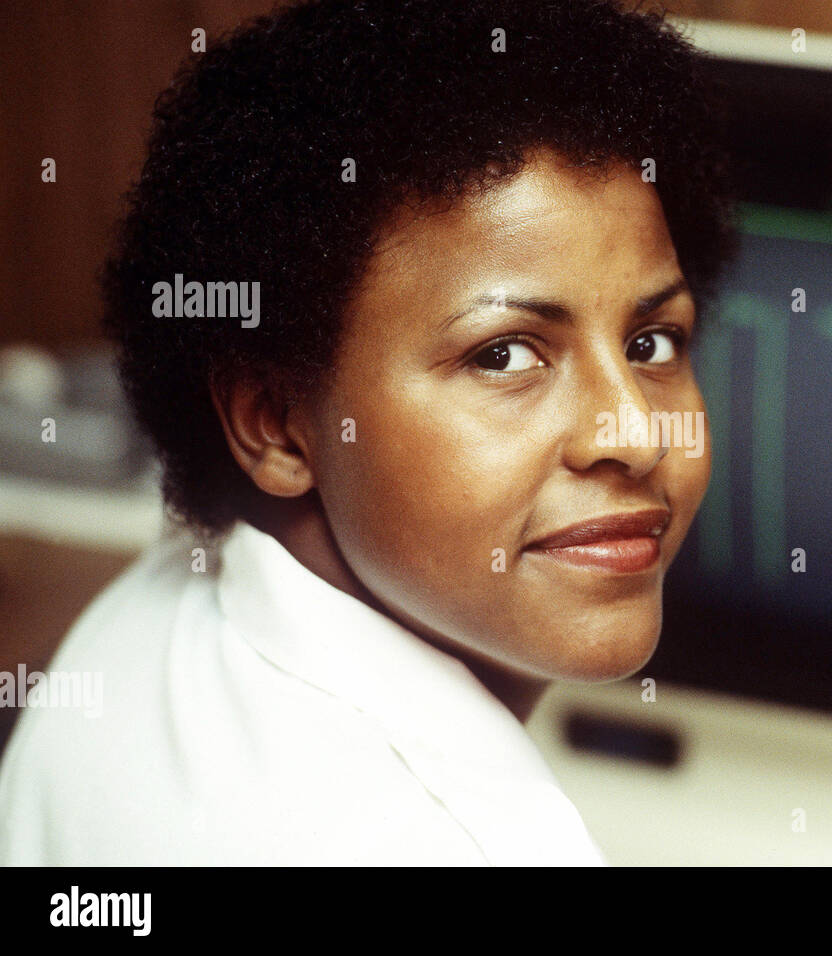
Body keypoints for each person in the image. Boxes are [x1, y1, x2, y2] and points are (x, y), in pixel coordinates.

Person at [0, 0, 738, 865]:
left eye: (652, 343)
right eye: (504, 355)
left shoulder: (143, 626)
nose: (636, 432)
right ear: (275, 424)